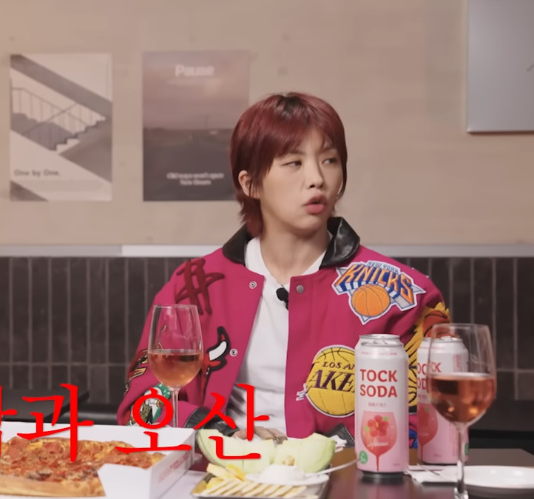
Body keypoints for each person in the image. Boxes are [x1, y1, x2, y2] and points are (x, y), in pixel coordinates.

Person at [118, 93, 449, 447]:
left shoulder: (403, 293)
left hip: (346, 472)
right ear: (250, 184)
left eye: (330, 160)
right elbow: (142, 405)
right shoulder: (195, 286)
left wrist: (327, 450)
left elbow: (434, 418)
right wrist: (222, 436)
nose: (317, 178)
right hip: (223, 469)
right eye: (294, 162)